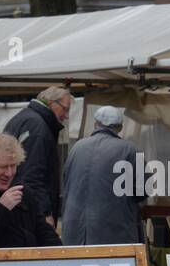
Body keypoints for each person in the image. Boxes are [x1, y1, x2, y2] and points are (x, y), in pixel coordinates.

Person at [60, 105, 144, 245]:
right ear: (120, 128)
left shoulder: (77, 148)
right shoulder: (130, 150)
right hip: (114, 234)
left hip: (75, 233)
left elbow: (66, 181)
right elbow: (144, 190)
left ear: (95, 124)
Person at [3, 85, 72, 227]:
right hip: (29, 211)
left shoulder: (24, 118)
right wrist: (45, 213)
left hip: (16, 204)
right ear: (51, 102)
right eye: (65, 109)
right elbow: (33, 174)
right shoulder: (38, 127)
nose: (66, 116)